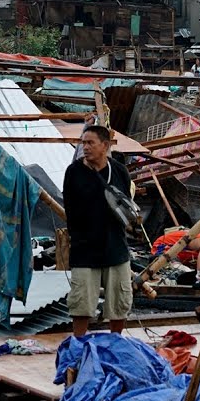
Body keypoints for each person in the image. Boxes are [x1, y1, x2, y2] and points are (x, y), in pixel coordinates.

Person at [63, 126, 133, 337]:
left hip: (115, 246)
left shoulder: (119, 171)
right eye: (83, 143)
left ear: (105, 145)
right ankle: (79, 344)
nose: (85, 147)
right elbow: (70, 208)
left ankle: (115, 341)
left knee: (119, 302)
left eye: (90, 143)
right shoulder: (74, 172)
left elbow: (127, 205)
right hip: (85, 248)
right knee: (81, 303)